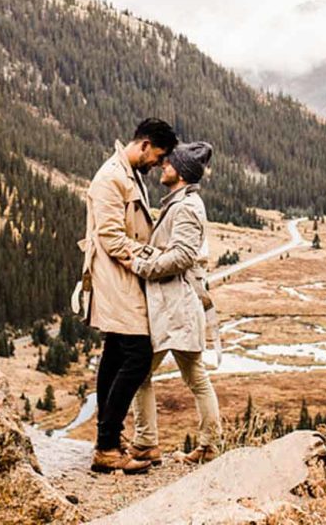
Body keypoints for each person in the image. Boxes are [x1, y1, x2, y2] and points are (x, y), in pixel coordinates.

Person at [81, 117, 177, 474]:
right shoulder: (111, 178)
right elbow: (110, 236)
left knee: (115, 354)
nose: (160, 163)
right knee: (137, 354)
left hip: (124, 276)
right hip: (117, 277)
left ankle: (107, 439)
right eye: (159, 156)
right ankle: (107, 446)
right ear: (145, 145)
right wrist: (150, 259)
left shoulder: (129, 173)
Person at [127, 141, 223, 466]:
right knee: (196, 377)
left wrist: (139, 265)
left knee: (140, 374)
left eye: (168, 163)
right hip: (178, 306)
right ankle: (209, 446)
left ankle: (145, 444)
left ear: (180, 173)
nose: (163, 166)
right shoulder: (183, 203)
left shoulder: (186, 208)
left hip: (174, 308)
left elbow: (181, 257)